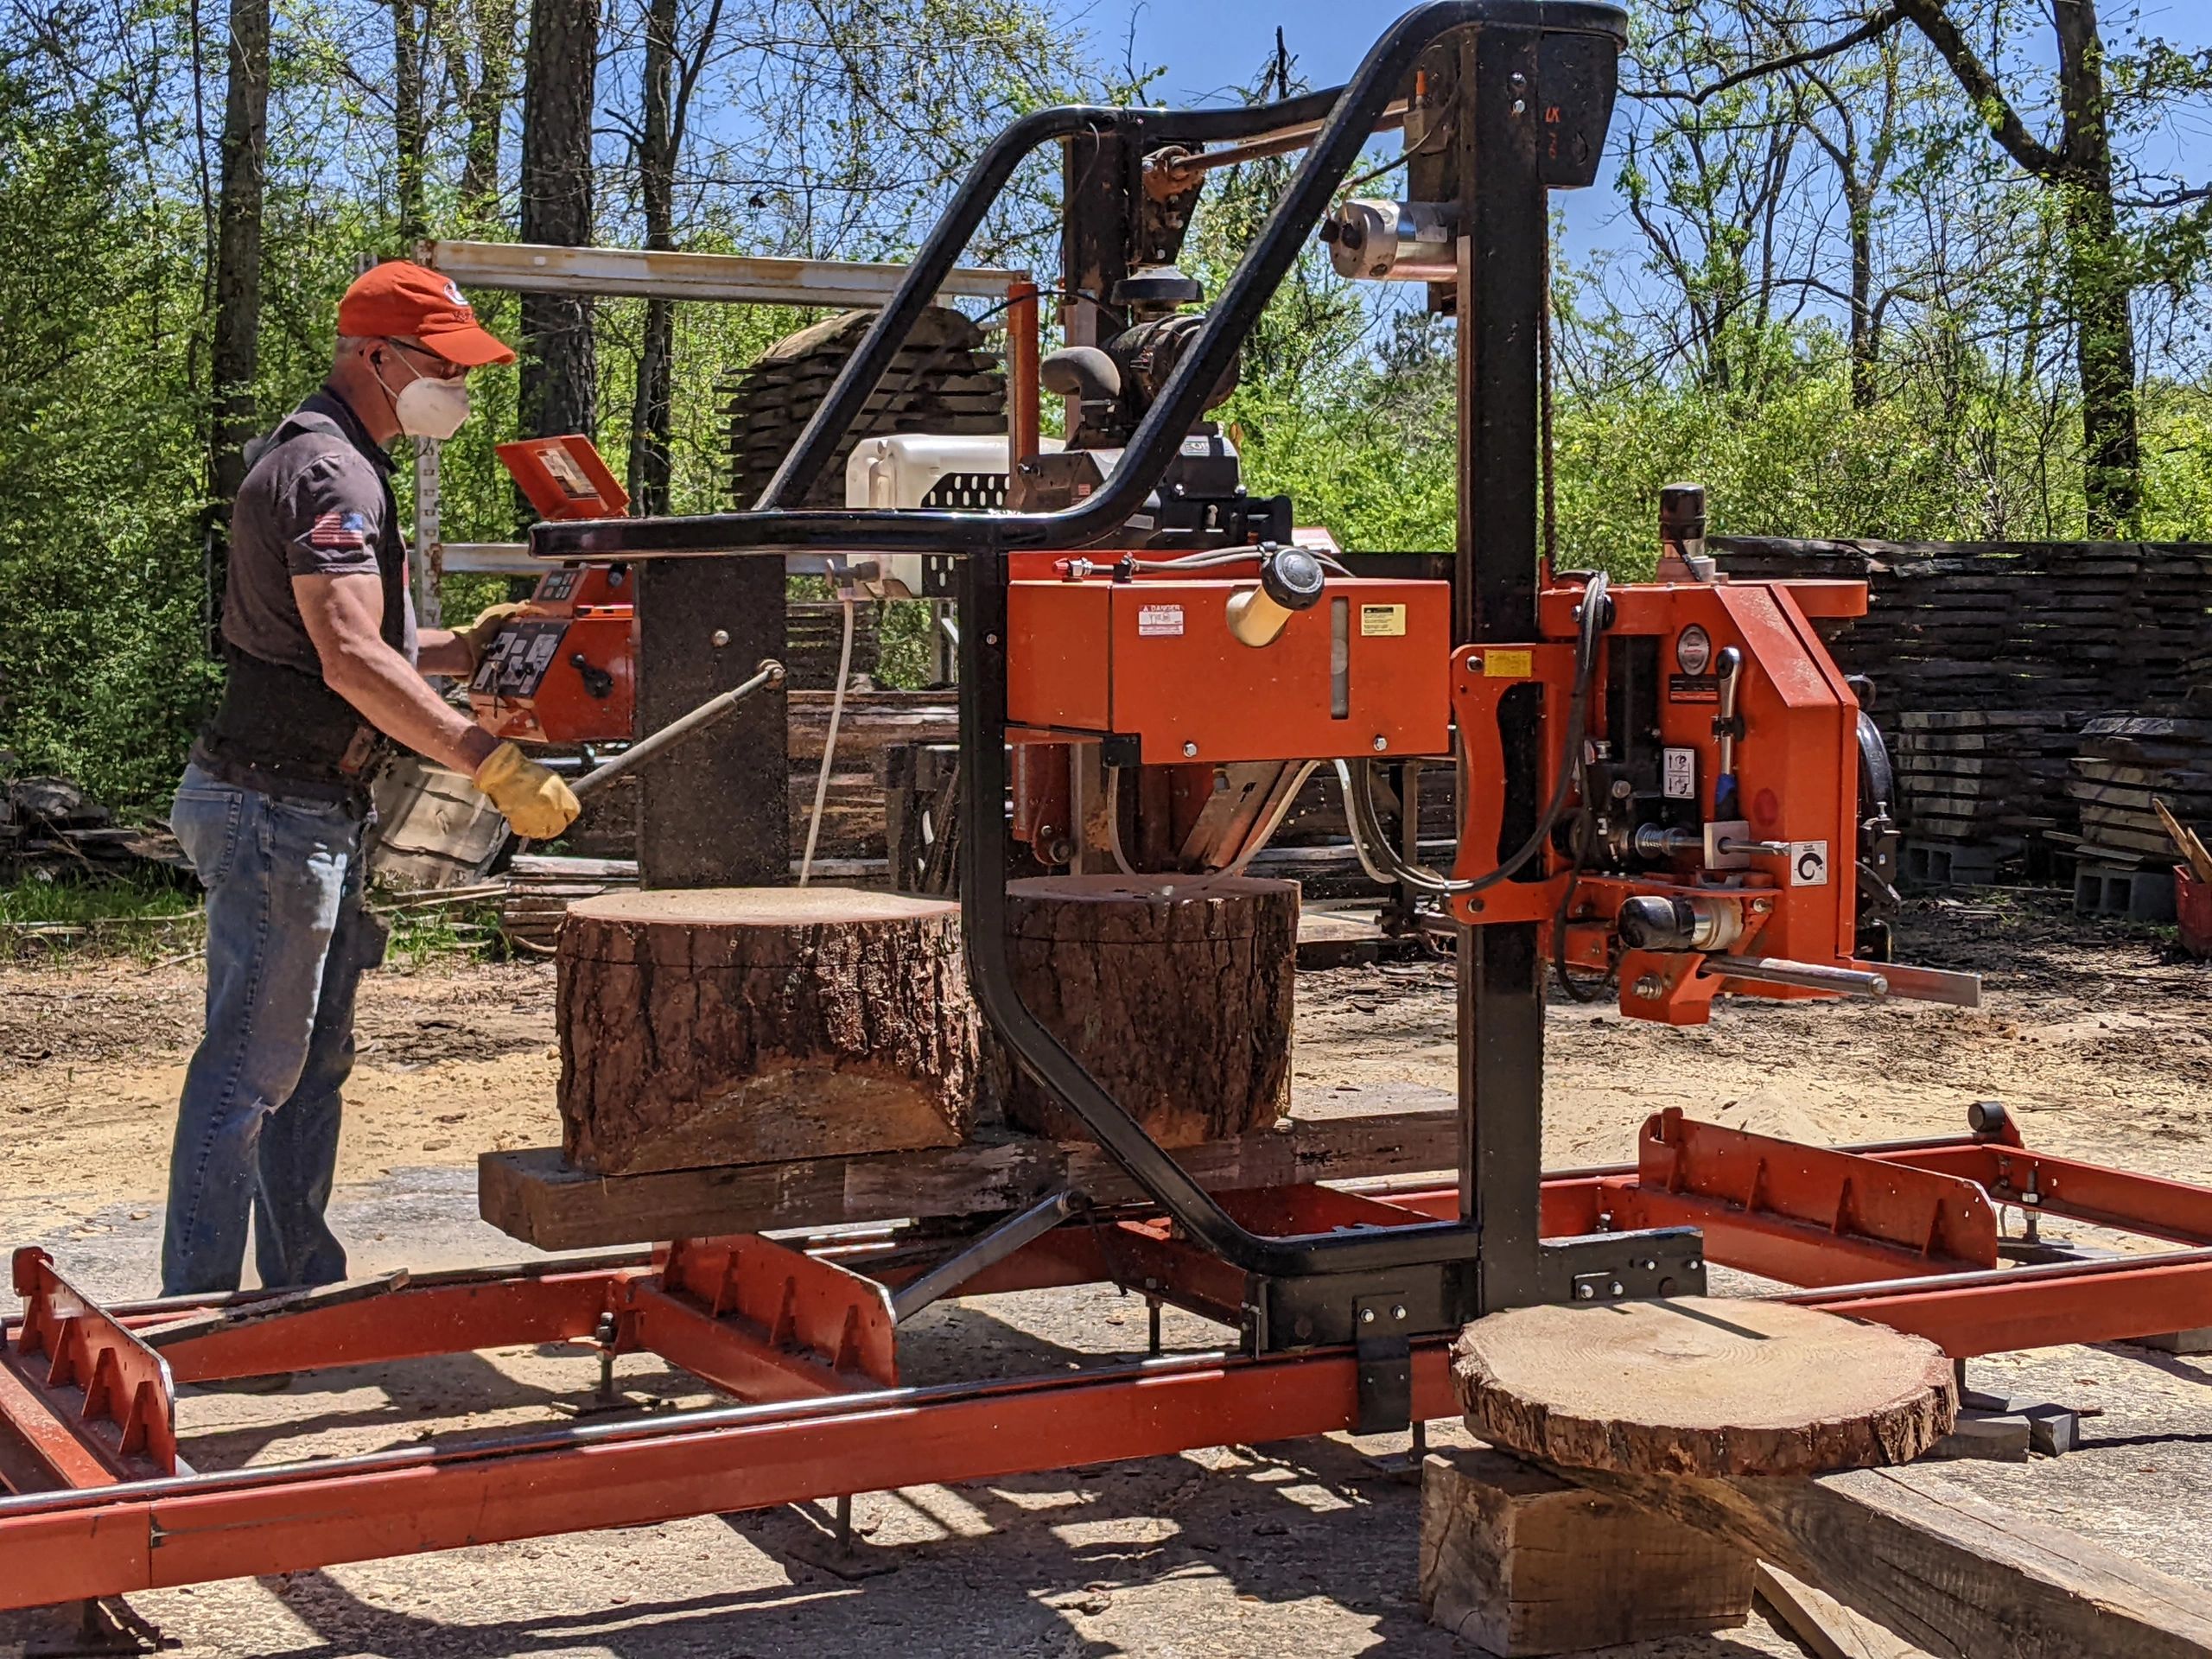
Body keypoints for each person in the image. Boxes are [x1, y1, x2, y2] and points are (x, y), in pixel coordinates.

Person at [162, 260, 579, 1300]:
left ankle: (297, 1288)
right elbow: (349, 658)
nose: (459, 388)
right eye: (447, 367)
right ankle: (197, 1315)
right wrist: (487, 761)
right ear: (377, 357)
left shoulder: (334, 458)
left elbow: (343, 644)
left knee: (305, 1065)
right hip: (275, 806)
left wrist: (463, 647)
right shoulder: (330, 472)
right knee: (250, 1072)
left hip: (302, 803)